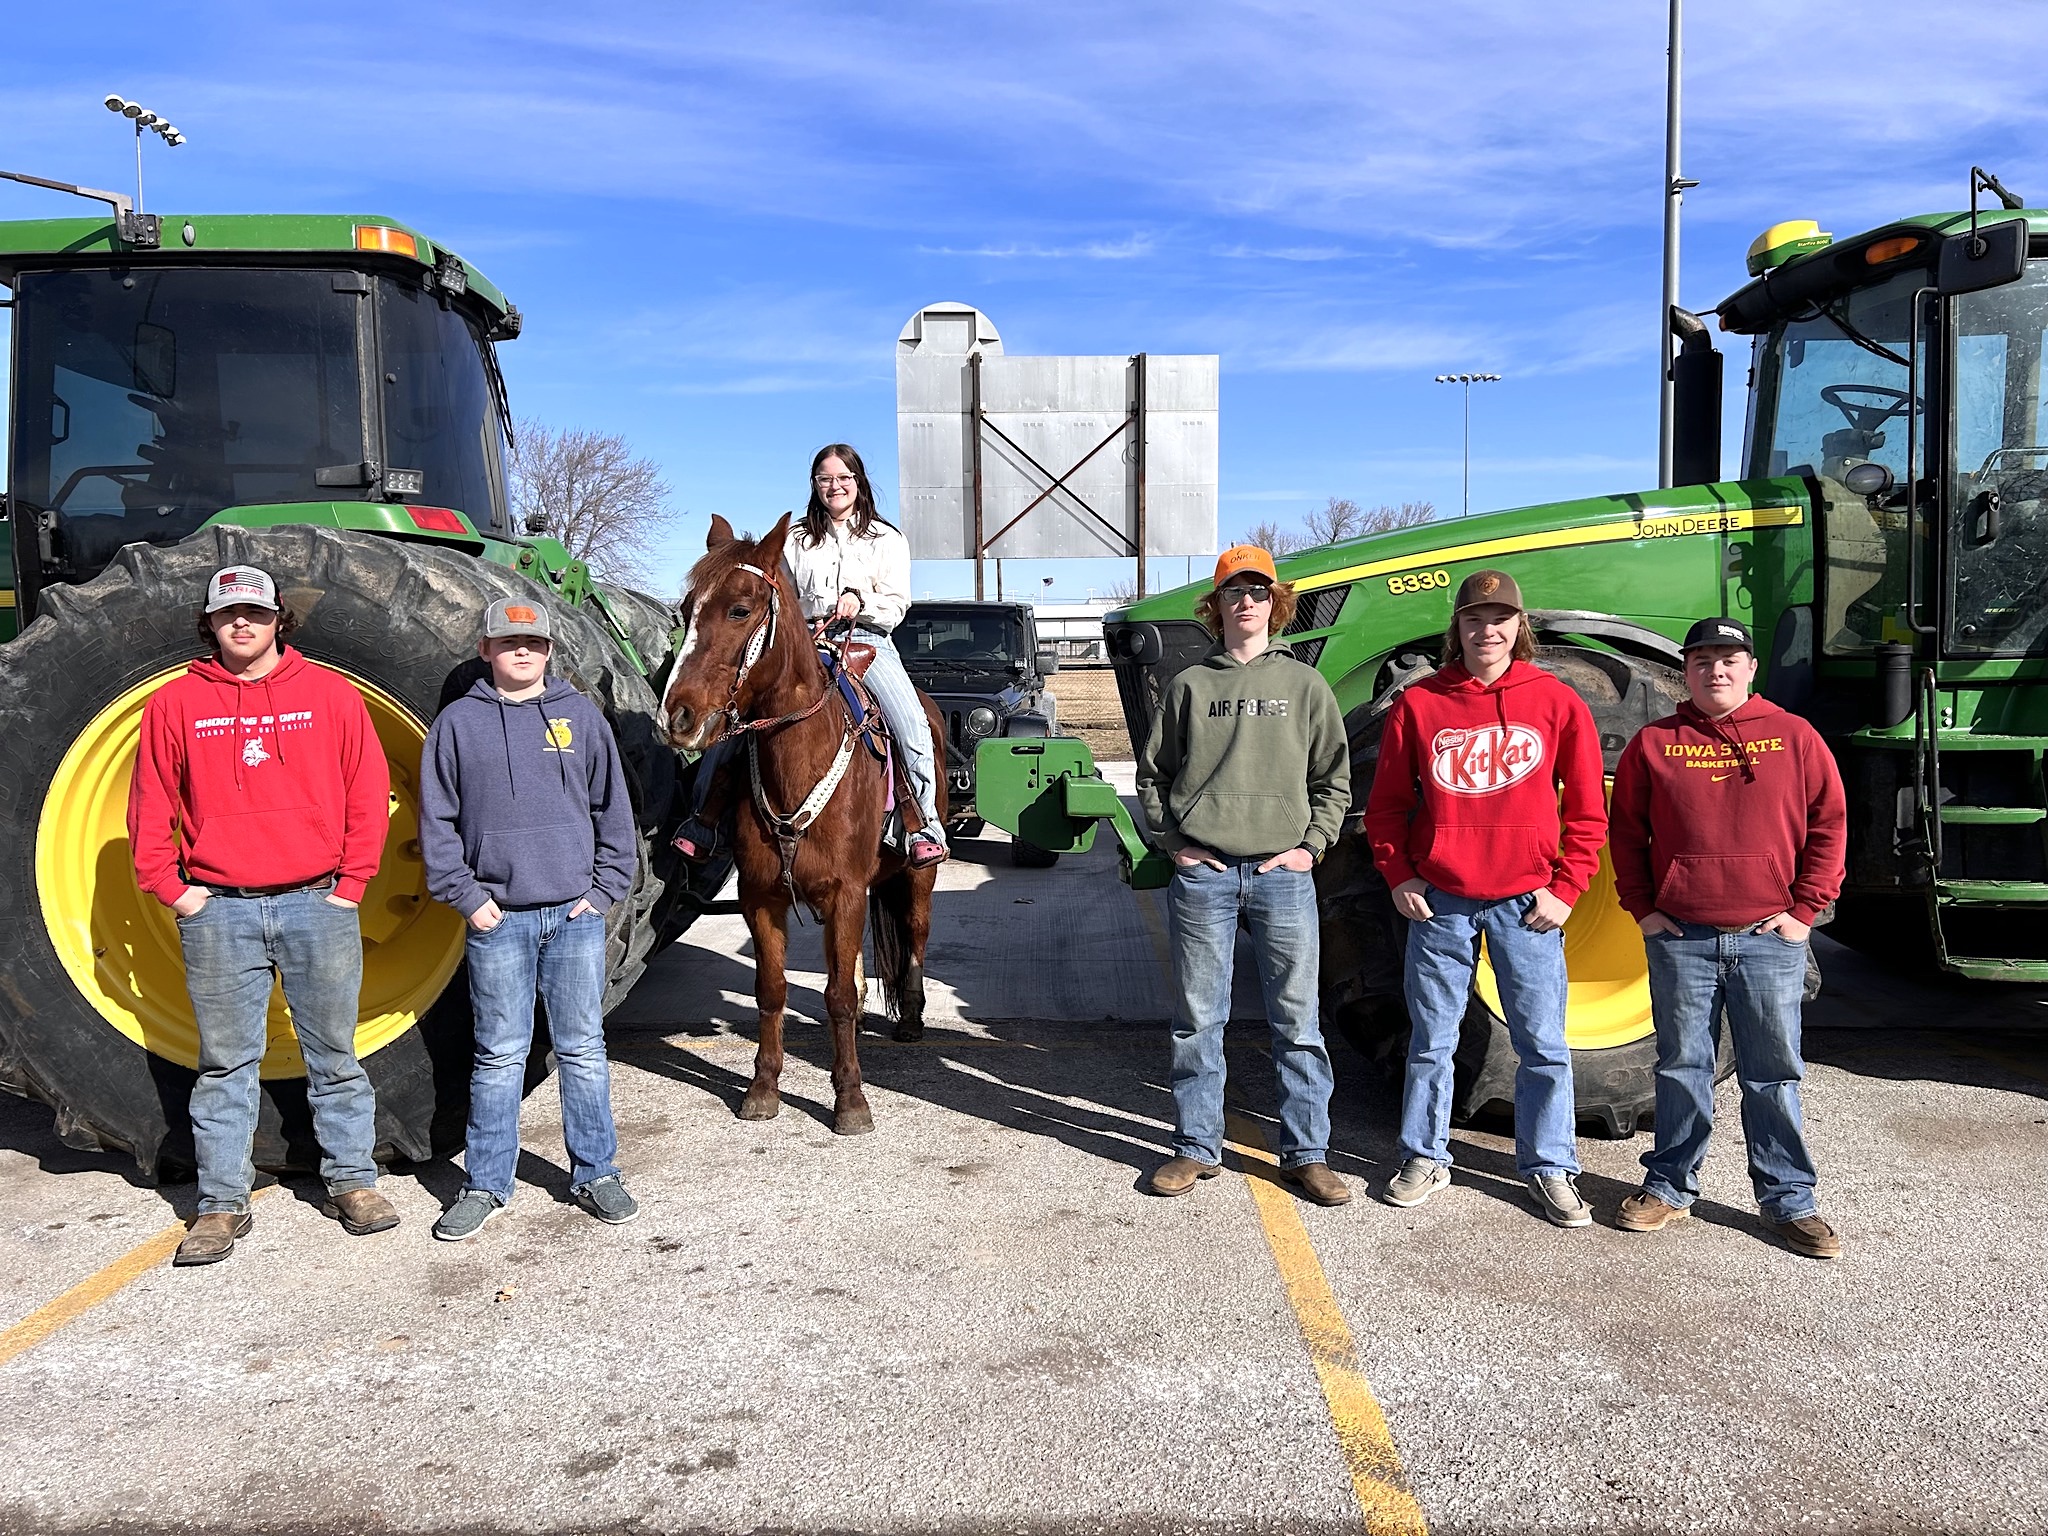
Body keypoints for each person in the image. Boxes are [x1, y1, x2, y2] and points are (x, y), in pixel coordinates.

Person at [128, 565, 397, 1266]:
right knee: (224, 1064)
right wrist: (177, 890)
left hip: (318, 903)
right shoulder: (175, 705)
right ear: (209, 623)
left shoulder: (329, 696)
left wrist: (351, 884)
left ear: (280, 619)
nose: (241, 623)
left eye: (255, 611)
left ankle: (354, 1181)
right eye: (227, 614)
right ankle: (220, 1203)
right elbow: (151, 805)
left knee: (335, 1055)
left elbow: (368, 791)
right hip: (220, 913)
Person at [1364, 569, 1605, 1227]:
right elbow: (1385, 808)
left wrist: (1568, 887)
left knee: (1543, 1043)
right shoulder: (1420, 704)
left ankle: (1550, 1166)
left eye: (1499, 619)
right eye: (1475, 618)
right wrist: (1401, 876)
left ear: (1517, 627)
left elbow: (1587, 809)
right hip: (1441, 899)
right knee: (1432, 1039)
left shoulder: (1556, 701)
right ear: (1459, 628)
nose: (1487, 630)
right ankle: (1424, 1155)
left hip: (1527, 901)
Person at [1609, 617, 1847, 1259]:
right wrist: (1642, 908)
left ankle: (1789, 1200)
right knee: (1682, 1067)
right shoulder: (1654, 743)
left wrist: (1805, 911)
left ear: (1750, 669)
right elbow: (1625, 833)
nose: (1716, 670)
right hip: (1681, 936)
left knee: (1773, 1073)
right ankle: (1669, 1186)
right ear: (1685, 671)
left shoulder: (1795, 738)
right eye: (1702, 660)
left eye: (1728, 659)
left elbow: (1829, 826)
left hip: (1771, 936)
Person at [1136, 546, 1352, 1205]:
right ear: (1217, 604)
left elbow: (1334, 781)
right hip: (1204, 875)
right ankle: (1195, 1148)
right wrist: (1175, 843)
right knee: (1199, 1018)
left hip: (1283, 874)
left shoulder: (1305, 687)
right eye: (1234, 590)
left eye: (1259, 590)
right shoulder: (1190, 687)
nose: (1247, 600)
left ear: (1275, 602)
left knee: (1298, 1019)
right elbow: (1154, 777)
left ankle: (1306, 1154)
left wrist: (1311, 847)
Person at [421, 596, 641, 1240]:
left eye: (536, 644)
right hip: (498, 920)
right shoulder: (457, 725)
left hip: (573, 916)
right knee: (499, 1054)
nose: (524, 652)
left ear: (549, 650)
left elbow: (614, 812)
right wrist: (468, 899)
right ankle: (486, 1184)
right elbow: (436, 823)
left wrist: (602, 893)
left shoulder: (580, 718)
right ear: (486, 650)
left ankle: (596, 1171)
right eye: (509, 642)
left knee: (582, 1049)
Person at [673, 443, 945, 869]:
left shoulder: (887, 539)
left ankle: (921, 823)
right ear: (814, 485)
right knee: (739, 717)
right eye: (824, 479)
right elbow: (779, 597)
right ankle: (702, 820)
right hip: (806, 642)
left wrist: (860, 602)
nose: (834, 486)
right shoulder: (797, 540)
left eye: (842, 478)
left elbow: (897, 602)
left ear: (858, 482)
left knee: (911, 721)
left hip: (869, 643)